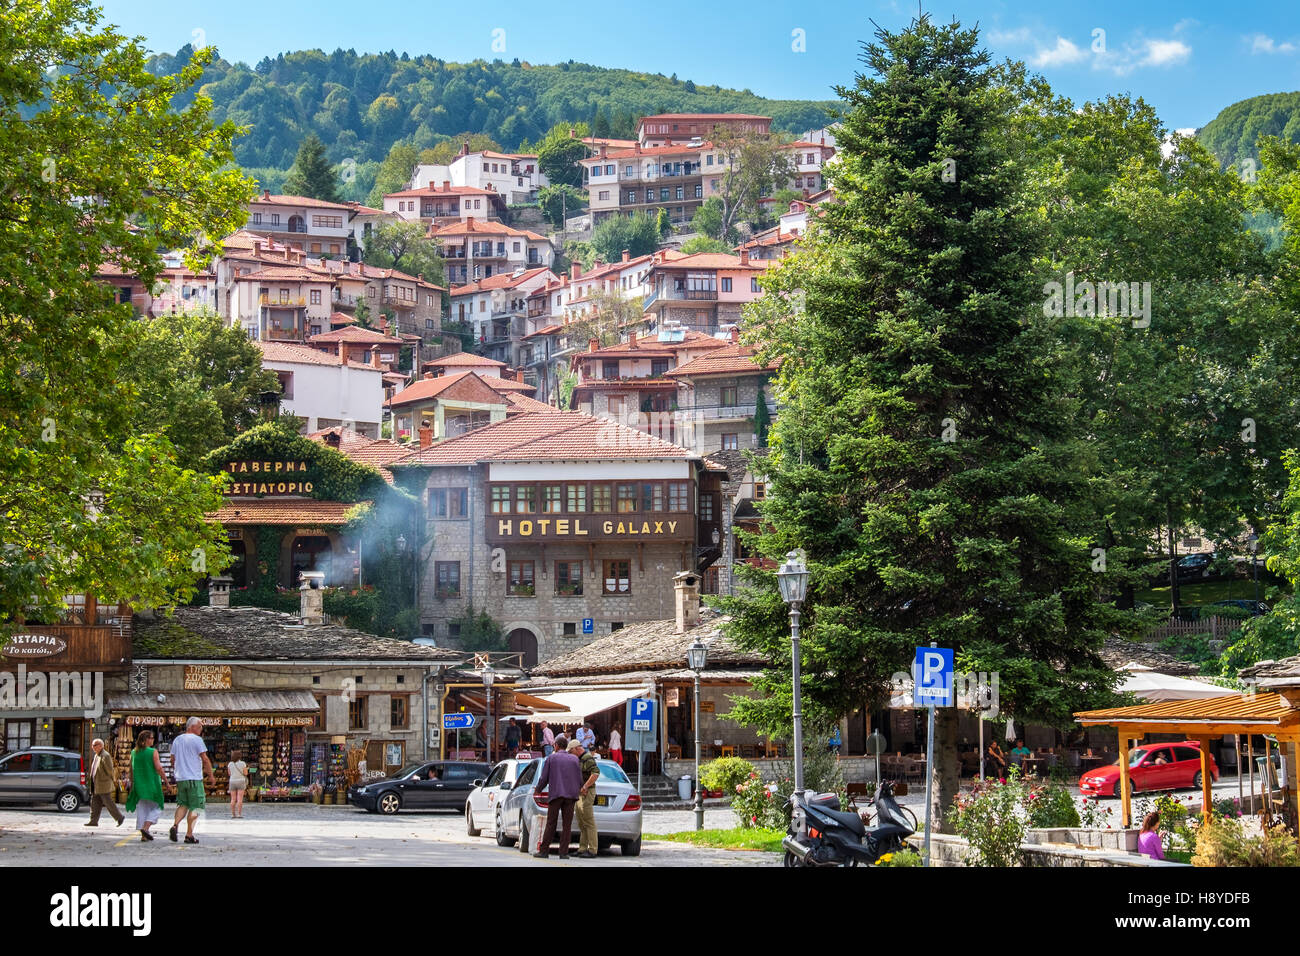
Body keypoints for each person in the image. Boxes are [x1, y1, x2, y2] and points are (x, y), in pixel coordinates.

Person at [532, 737, 582, 859]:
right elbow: (579, 778)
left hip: (556, 794)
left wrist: (538, 789)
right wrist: (580, 789)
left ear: (556, 746)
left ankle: (544, 851)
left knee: (551, 823)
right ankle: (563, 852)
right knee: (567, 825)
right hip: (570, 796)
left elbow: (544, 777)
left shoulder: (552, 758)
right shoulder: (575, 759)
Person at [169, 717, 215, 844]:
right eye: (199, 727)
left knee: (182, 804)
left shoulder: (177, 740)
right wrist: (211, 775)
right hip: (194, 778)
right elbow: (205, 759)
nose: (201, 729)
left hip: (181, 778)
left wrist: (177, 769)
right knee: (196, 806)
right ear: (192, 727)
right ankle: (189, 834)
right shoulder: (197, 740)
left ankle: (175, 825)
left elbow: (172, 759)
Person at [124, 730, 166, 842]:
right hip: (152, 784)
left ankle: (144, 835)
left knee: (142, 809)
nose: (153, 740)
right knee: (157, 807)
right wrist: (166, 781)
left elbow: (131, 770)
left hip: (139, 785)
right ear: (145, 740)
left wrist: (132, 784)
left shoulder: (134, 752)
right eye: (151, 738)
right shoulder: (153, 752)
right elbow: (159, 768)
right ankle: (145, 828)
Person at [85, 737, 125, 828]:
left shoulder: (105, 755)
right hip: (96, 784)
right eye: (92, 745)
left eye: (95, 745)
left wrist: (111, 780)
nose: (92, 747)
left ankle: (119, 817)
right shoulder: (97, 755)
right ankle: (93, 821)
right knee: (95, 803)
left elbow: (110, 770)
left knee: (108, 803)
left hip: (103, 784)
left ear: (100, 746)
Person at [573, 738, 600, 859]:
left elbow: (595, 773)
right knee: (581, 821)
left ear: (576, 749)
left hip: (587, 792)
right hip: (580, 793)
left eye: (571, 752)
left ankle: (593, 849)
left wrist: (585, 786)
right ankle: (582, 848)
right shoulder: (579, 759)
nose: (570, 754)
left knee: (589, 821)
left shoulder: (588, 758)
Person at [227, 748, 248, 819]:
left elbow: (229, 774)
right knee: (240, 799)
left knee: (233, 799)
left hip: (232, 781)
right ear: (239, 756)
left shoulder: (230, 764)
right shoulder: (243, 763)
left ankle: (233, 814)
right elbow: (245, 773)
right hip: (241, 781)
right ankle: (239, 814)